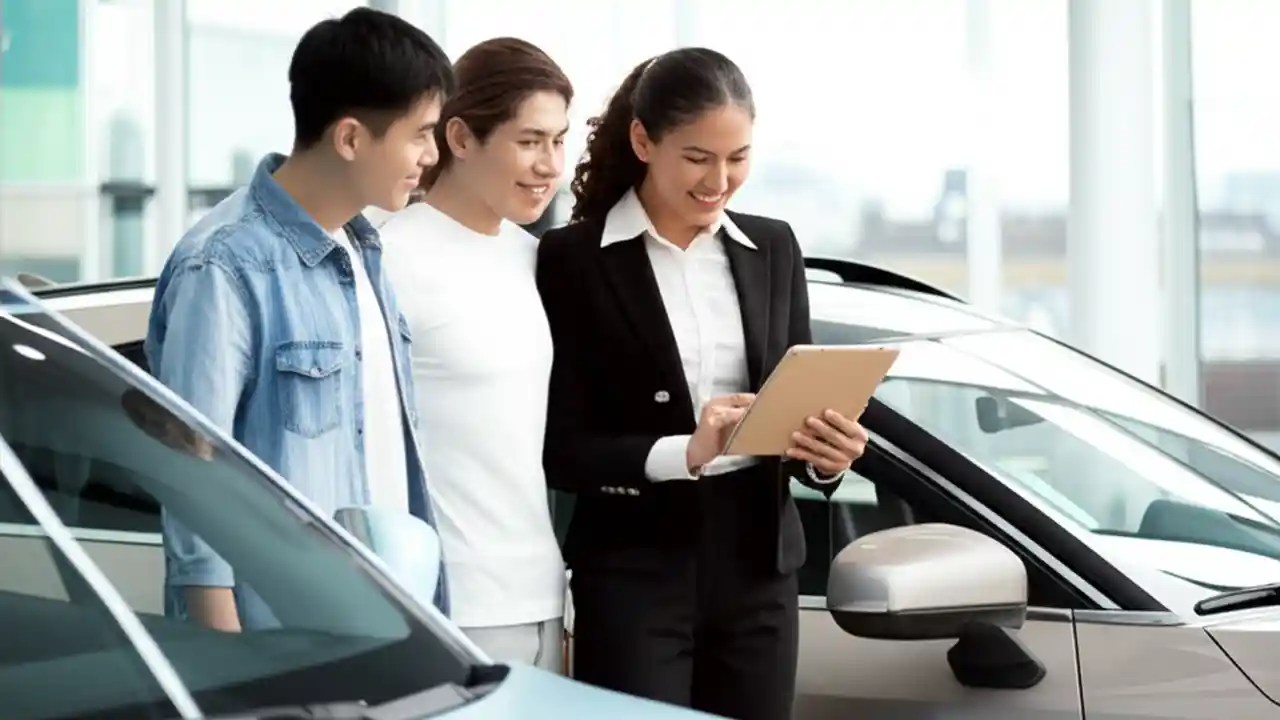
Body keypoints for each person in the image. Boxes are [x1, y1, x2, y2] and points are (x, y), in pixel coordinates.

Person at [535, 48, 870, 718]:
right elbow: (562, 448)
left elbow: (797, 404)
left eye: (738, 157)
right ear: (643, 141)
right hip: (633, 574)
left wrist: (827, 458)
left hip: (759, 573)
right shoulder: (572, 261)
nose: (720, 180)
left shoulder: (774, 248)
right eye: (697, 158)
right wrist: (684, 452)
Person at [144, 8, 454, 632]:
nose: (431, 154)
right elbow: (191, 477)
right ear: (350, 138)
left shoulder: (363, 251)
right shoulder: (224, 265)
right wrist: (227, 656)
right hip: (281, 643)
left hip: (386, 625)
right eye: (420, 133)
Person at [377, 37, 572, 671]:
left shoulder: (536, 260)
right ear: (460, 138)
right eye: (530, 140)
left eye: (559, 141)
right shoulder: (389, 261)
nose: (550, 165)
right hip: (444, 605)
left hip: (542, 598)